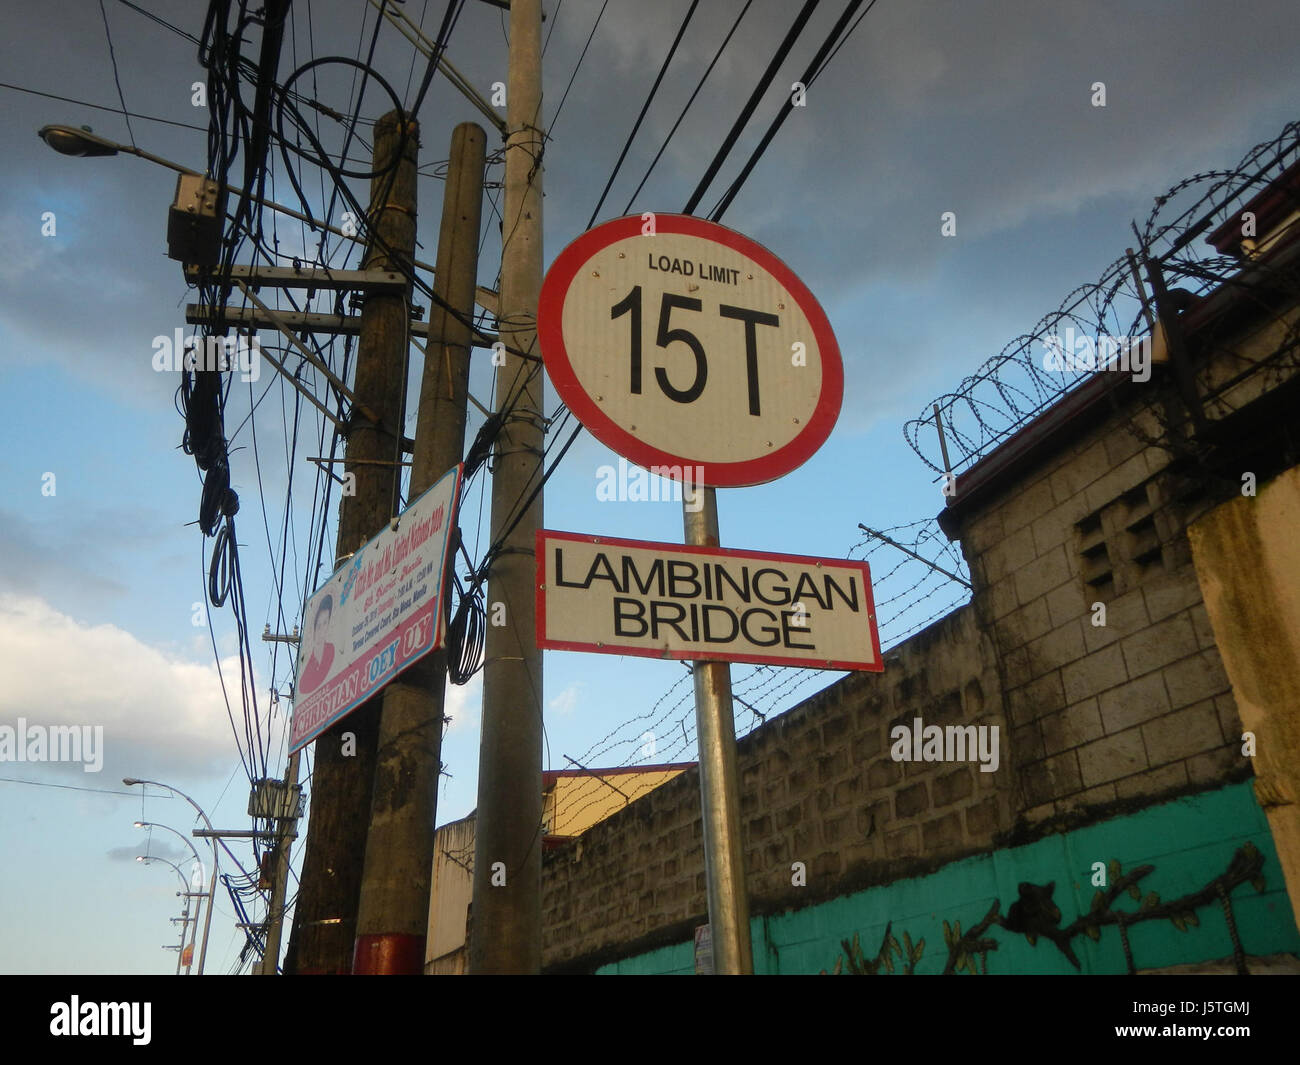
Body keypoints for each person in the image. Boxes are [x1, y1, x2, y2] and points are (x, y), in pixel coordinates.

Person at [297, 594, 336, 695]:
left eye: (325, 623)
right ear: (314, 629)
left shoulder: (331, 650)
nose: (322, 630)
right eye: (318, 626)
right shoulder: (306, 673)